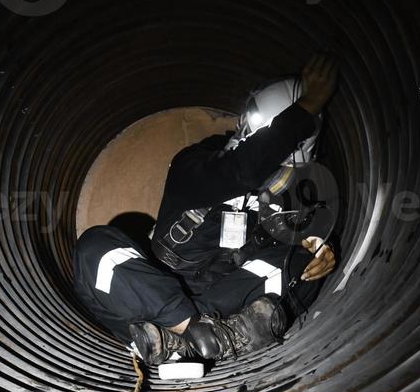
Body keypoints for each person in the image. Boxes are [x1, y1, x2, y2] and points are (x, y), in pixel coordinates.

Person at [73, 56, 341, 366]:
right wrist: (307, 107)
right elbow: (243, 171)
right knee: (94, 247)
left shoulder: (291, 198)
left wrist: (322, 249)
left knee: (306, 259)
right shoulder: (196, 163)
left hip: (221, 315)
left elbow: (306, 235)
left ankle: (194, 343)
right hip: (151, 303)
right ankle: (189, 334)